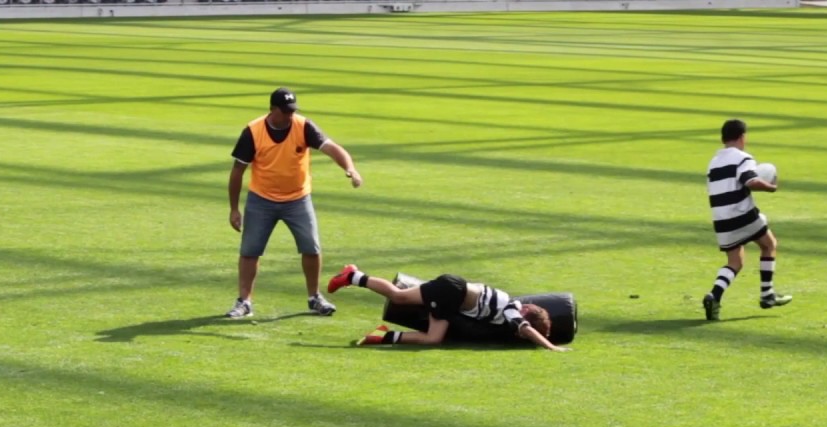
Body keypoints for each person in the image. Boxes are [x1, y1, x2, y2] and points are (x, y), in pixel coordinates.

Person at [225, 87, 364, 319]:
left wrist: (351, 169)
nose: (290, 115)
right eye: (286, 111)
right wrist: (234, 209)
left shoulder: (303, 126)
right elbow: (237, 171)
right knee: (250, 251)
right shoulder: (253, 131)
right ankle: (244, 302)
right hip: (261, 200)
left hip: (298, 199)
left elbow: (332, 148)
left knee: (311, 247)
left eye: (293, 110)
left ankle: (315, 297)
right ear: (273, 110)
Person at [326, 264, 570, 351]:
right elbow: (524, 327)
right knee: (431, 335)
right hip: (451, 293)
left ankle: (354, 276)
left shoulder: (508, 305)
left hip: (453, 290)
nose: (518, 334)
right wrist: (551, 347)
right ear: (526, 311)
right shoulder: (511, 309)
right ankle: (381, 334)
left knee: (399, 297)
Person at [702, 119, 792, 322]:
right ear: (742, 137)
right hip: (742, 214)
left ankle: (714, 295)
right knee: (769, 245)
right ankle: (767, 294)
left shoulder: (713, 162)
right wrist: (771, 187)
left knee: (735, 262)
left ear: (723, 139)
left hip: (721, 220)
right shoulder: (742, 158)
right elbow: (750, 181)